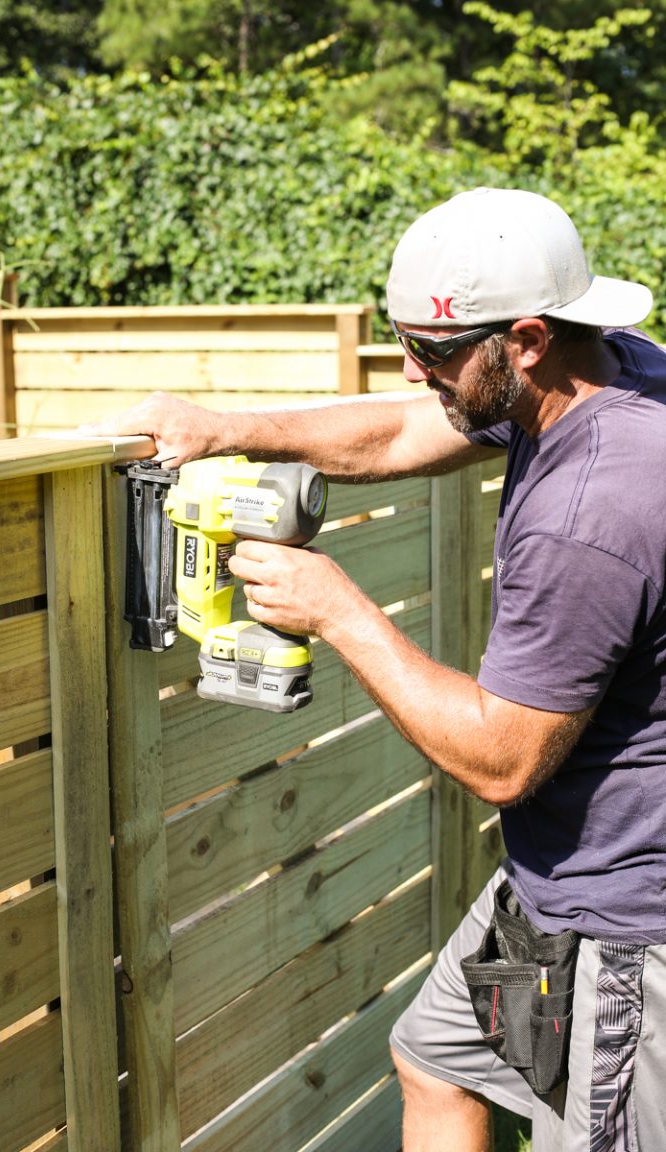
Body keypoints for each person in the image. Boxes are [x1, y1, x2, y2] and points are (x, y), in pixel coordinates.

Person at [86, 187, 666, 1151]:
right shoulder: (604, 371)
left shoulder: (592, 513)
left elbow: (500, 761)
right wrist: (224, 426)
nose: (409, 368)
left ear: (525, 338)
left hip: (624, 931)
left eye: (431, 352)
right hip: (554, 880)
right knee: (439, 1062)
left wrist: (341, 613)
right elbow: (402, 431)